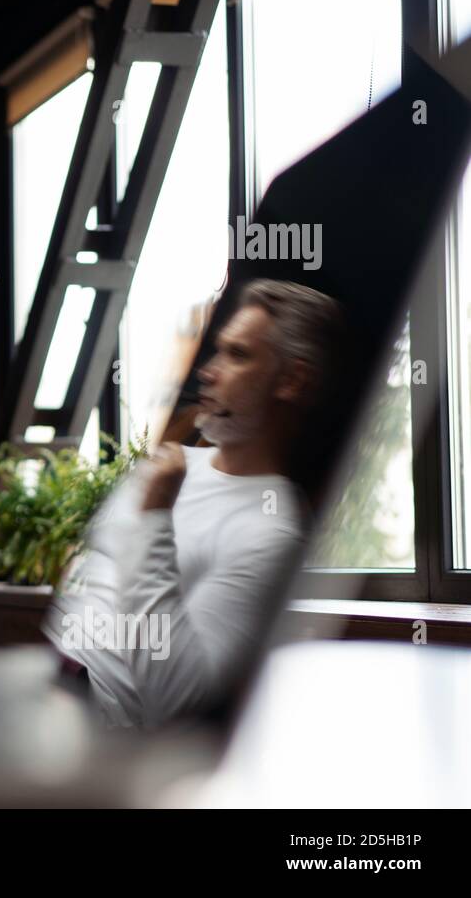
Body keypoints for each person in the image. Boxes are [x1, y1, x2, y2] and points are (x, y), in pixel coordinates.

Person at [42, 279, 345, 727]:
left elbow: (175, 696)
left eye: (238, 355)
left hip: (96, 737)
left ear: (292, 380)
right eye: (219, 350)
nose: (209, 370)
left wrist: (155, 516)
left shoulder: (272, 532)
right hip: (42, 685)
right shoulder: (168, 466)